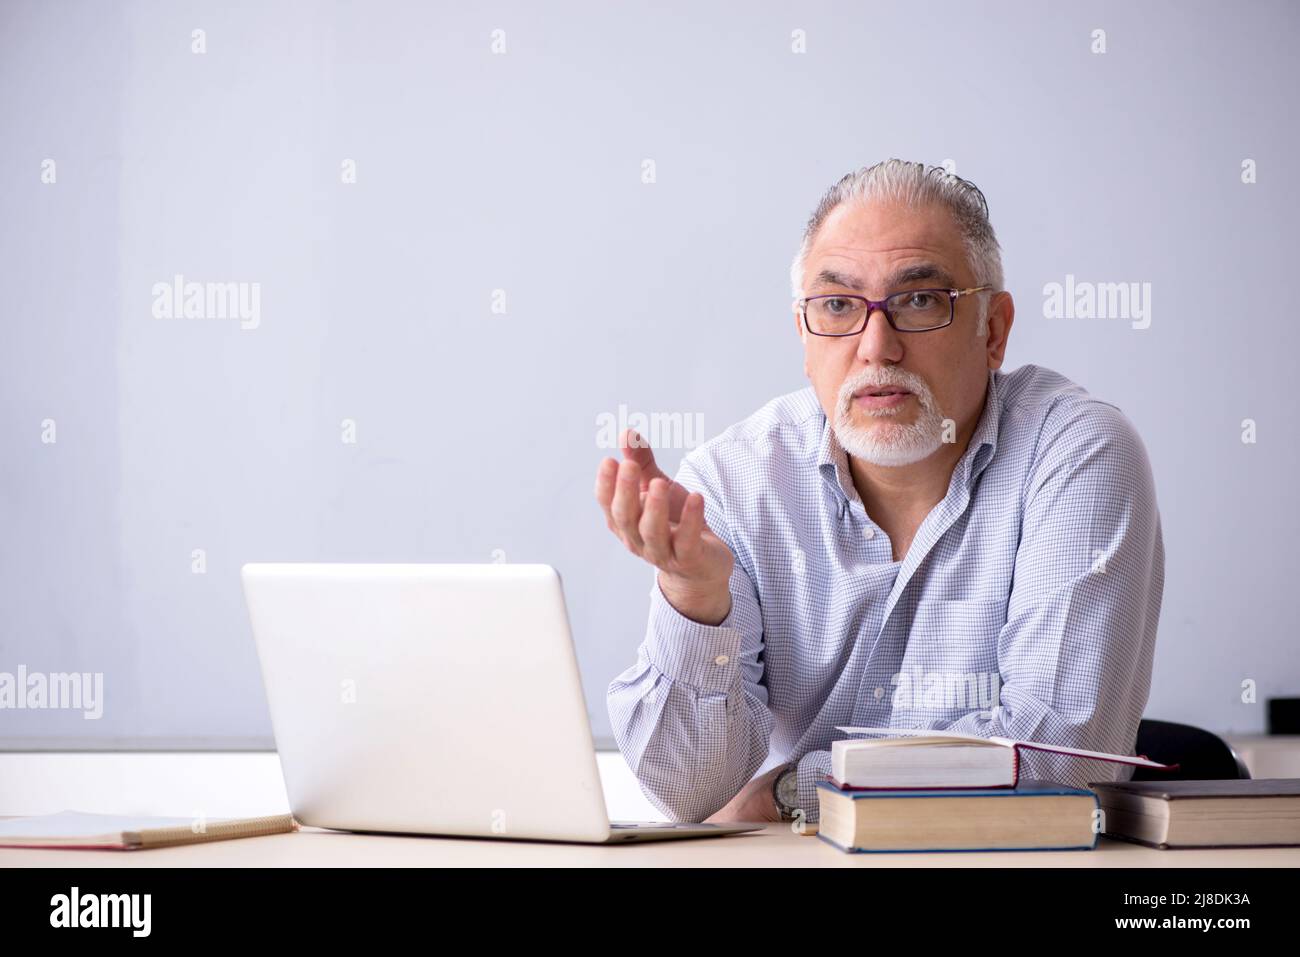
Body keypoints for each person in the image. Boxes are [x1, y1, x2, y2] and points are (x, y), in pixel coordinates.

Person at [595, 159, 1164, 825]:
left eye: (919, 301)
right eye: (838, 305)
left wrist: (791, 792)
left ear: (995, 330)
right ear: (804, 337)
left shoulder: (1076, 454)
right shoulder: (730, 485)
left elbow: (1061, 757)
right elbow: (690, 793)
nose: (877, 346)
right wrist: (695, 600)